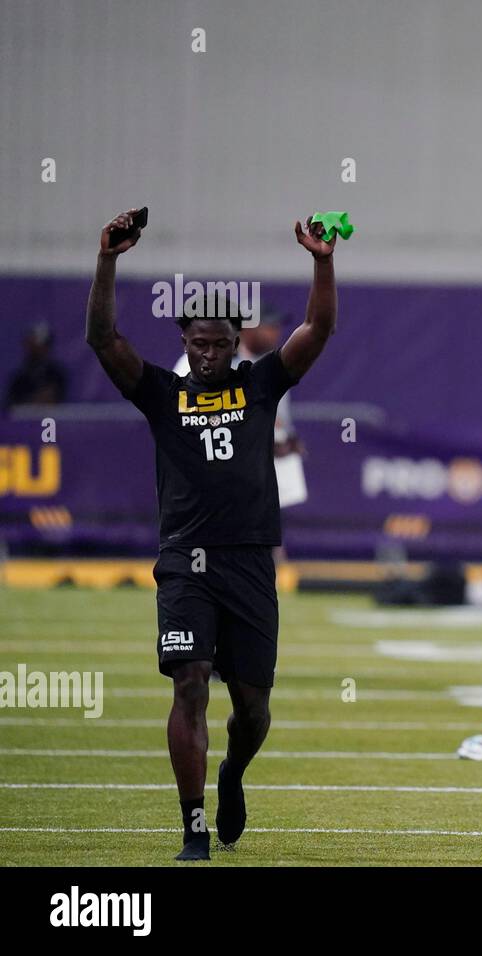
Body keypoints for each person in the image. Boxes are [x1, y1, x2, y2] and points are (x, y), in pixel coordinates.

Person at [85, 207, 339, 860]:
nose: (208, 355)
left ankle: (232, 770)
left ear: (236, 342)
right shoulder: (161, 393)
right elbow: (102, 338)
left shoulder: (261, 384)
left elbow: (318, 328)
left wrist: (322, 261)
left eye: (220, 344)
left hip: (249, 562)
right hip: (184, 562)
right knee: (190, 681)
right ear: (184, 339)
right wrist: (107, 259)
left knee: (252, 709)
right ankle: (192, 825)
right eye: (198, 343)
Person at [174, 310, 309, 561]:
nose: (275, 333)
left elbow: (277, 421)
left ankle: (268, 558)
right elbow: (185, 417)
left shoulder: (270, 366)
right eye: (268, 326)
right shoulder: (198, 365)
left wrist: (285, 440)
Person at [4, 321, 68, 411]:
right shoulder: (19, 378)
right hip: (24, 419)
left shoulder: (57, 375)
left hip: (52, 419)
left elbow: (60, 402)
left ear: (47, 347)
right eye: (30, 344)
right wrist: (33, 401)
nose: (34, 348)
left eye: (39, 345)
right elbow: (10, 406)